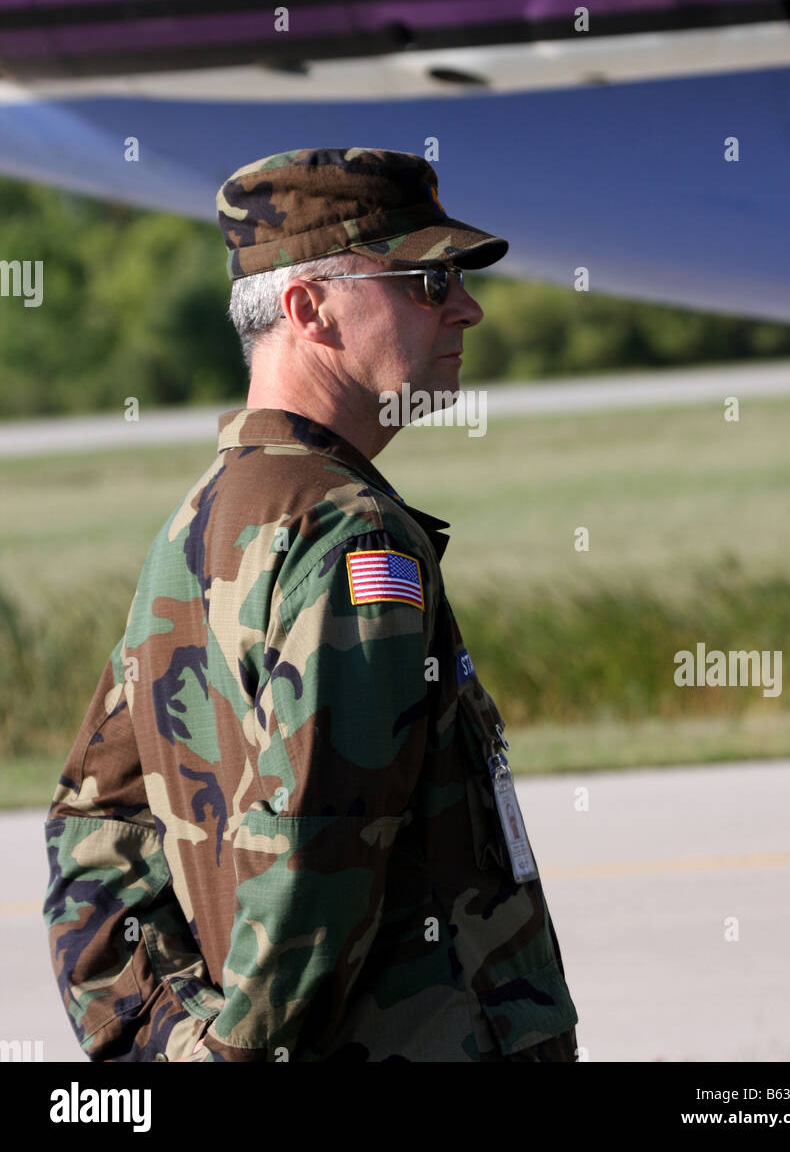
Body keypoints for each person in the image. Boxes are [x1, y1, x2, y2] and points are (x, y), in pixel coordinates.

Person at [43, 147, 578, 1062]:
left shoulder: (194, 527)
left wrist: (161, 1043)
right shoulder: (351, 536)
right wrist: (236, 1055)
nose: (466, 307)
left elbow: (96, 835)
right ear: (309, 308)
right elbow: (316, 848)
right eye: (426, 279)